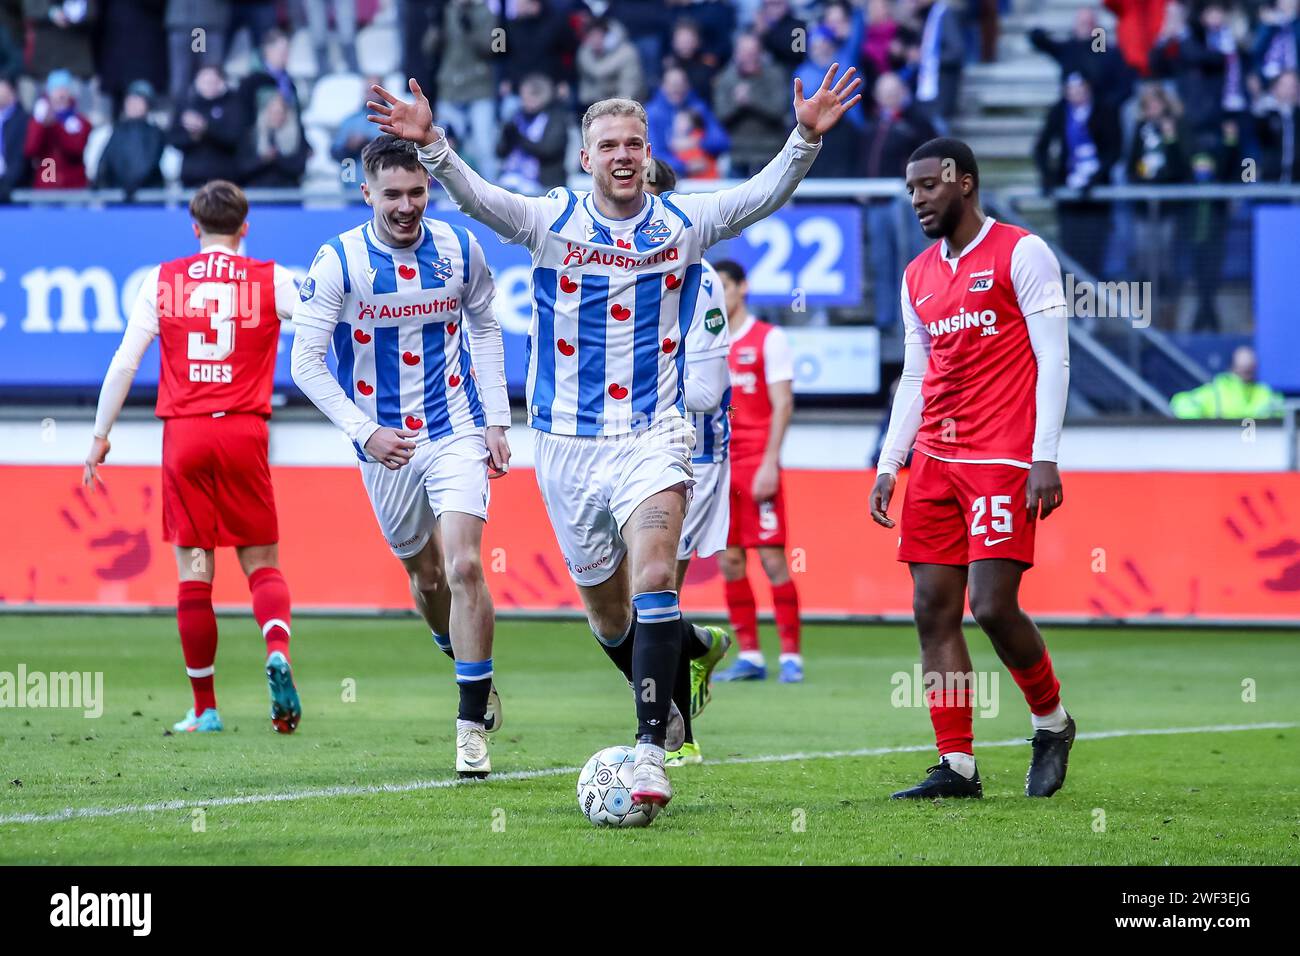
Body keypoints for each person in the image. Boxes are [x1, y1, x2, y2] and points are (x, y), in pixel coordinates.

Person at [366, 62, 860, 806]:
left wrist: (802, 140)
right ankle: (685, 659)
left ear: (647, 153)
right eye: (609, 144)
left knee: (656, 576)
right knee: (606, 614)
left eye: (635, 142)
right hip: (565, 445)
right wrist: (432, 141)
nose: (623, 155)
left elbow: (760, 197)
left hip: (652, 435)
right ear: (586, 157)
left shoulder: (684, 224)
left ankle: (650, 752)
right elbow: (476, 196)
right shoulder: (549, 222)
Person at [291, 135, 511, 778]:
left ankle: (471, 723)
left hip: (455, 427)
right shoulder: (338, 261)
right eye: (393, 193)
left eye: (418, 192)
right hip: (384, 446)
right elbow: (305, 364)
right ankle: (463, 659)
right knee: (428, 578)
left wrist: (497, 418)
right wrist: (365, 431)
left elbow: (486, 326)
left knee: (466, 564)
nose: (407, 205)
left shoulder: (460, 247)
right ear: (367, 193)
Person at [869, 138, 1075, 800]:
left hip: (1002, 457)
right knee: (933, 610)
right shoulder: (916, 275)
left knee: (990, 605)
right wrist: (889, 461)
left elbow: (1055, 358)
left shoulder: (1023, 252)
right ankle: (957, 765)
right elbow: (916, 373)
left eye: (929, 185)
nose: (919, 199)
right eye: (911, 189)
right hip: (934, 458)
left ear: (964, 181)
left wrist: (1045, 452)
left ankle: (1051, 721)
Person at [84, 180, 302, 735]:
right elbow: (323, 325)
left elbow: (125, 362)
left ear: (194, 226)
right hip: (245, 431)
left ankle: (205, 708)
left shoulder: (163, 280)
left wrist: (99, 435)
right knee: (261, 564)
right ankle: (277, 650)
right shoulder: (271, 279)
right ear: (245, 228)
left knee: (195, 573)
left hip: (185, 436)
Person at [642, 157, 733, 768]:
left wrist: (632, 382)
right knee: (632, 601)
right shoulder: (600, 269)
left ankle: (681, 741)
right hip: (621, 448)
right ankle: (699, 646)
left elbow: (708, 387)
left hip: (686, 451)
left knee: (657, 592)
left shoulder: (698, 279)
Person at [711, 259, 803, 685]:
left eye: (726, 287)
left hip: (756, 463)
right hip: (719, 465)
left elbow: (782, 403)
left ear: (742, 288)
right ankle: (750, 653)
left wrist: (771, 461)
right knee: (730, 560)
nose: (720, 295)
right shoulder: (707, 341)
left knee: (771, 558)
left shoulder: (769, 338)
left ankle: (790, 655)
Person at [713, 31, 789, 178]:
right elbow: (720, 115)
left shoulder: (775, 76)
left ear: (761, 53)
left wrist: (752, 99)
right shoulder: (726, 79)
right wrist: (738, 104)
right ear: (736, 54)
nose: (749, 57)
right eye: (744, 52)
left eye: (753, 52)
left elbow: (780, 111)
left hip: (770, 152)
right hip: (737, 154)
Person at [168, 66, 244, 187]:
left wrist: (206, 128)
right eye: (204, 82)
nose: (209, 85)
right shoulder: (186, 105)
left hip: (224, 180)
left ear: (221, 82)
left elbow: (234, 137)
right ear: (196, 83)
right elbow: (173, 139)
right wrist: (192, 136)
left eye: (213, 81)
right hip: (192, 180)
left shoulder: (233, 104)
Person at [495, 73, 569, 195]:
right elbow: (500, 152)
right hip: (512, 178)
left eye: (528, 98)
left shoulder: (556, 119)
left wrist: (519, 138)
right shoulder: (516, 116)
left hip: (543, 184)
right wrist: (506, 136)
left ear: (541, 97)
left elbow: (548, 150)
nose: (524, 102)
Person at [1170, 345, 1287, 418]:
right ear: (1232, 367)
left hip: (1257, 448)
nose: (1246, 372)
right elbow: (1181, 402)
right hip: (1222, 449)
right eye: (1241, 368)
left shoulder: (1265, 392)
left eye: (1250, 369)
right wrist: (1200, 424)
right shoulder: (1216, 391)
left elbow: (1283, 412)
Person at [95, 79, 166, 197]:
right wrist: (99, 182)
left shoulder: (154, 133)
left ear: (147, 105)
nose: (132, 104)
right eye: (130, 100)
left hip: (146, 197)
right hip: (118, 196)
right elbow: (106, 159)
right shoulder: (118, 130)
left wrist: (131, 185)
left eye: (138, 101)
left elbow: (148, 163)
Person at [23, 69, 92, 190]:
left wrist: (55, 124)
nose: (60, 94)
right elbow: (31, 149)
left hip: (74, 187)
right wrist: (41, 125)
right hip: (46, 184)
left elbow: (76, 149)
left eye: (64, 89)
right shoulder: (38, 120)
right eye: (56, 89)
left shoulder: (81, 122)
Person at [237, 90, 309, 188]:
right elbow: (243, 167)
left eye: (280, 112)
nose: (276, 116)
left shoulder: (297, 135)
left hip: (288, 192)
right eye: (272, 112)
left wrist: (277, 158)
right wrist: (263, 160)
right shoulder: (253, 134)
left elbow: (299, 167)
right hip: (259, 191)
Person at [0, 75, 31, 202]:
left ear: (11, 91)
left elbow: (21, 158)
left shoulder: (24, 120)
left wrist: (5, 185)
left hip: (11, 189)